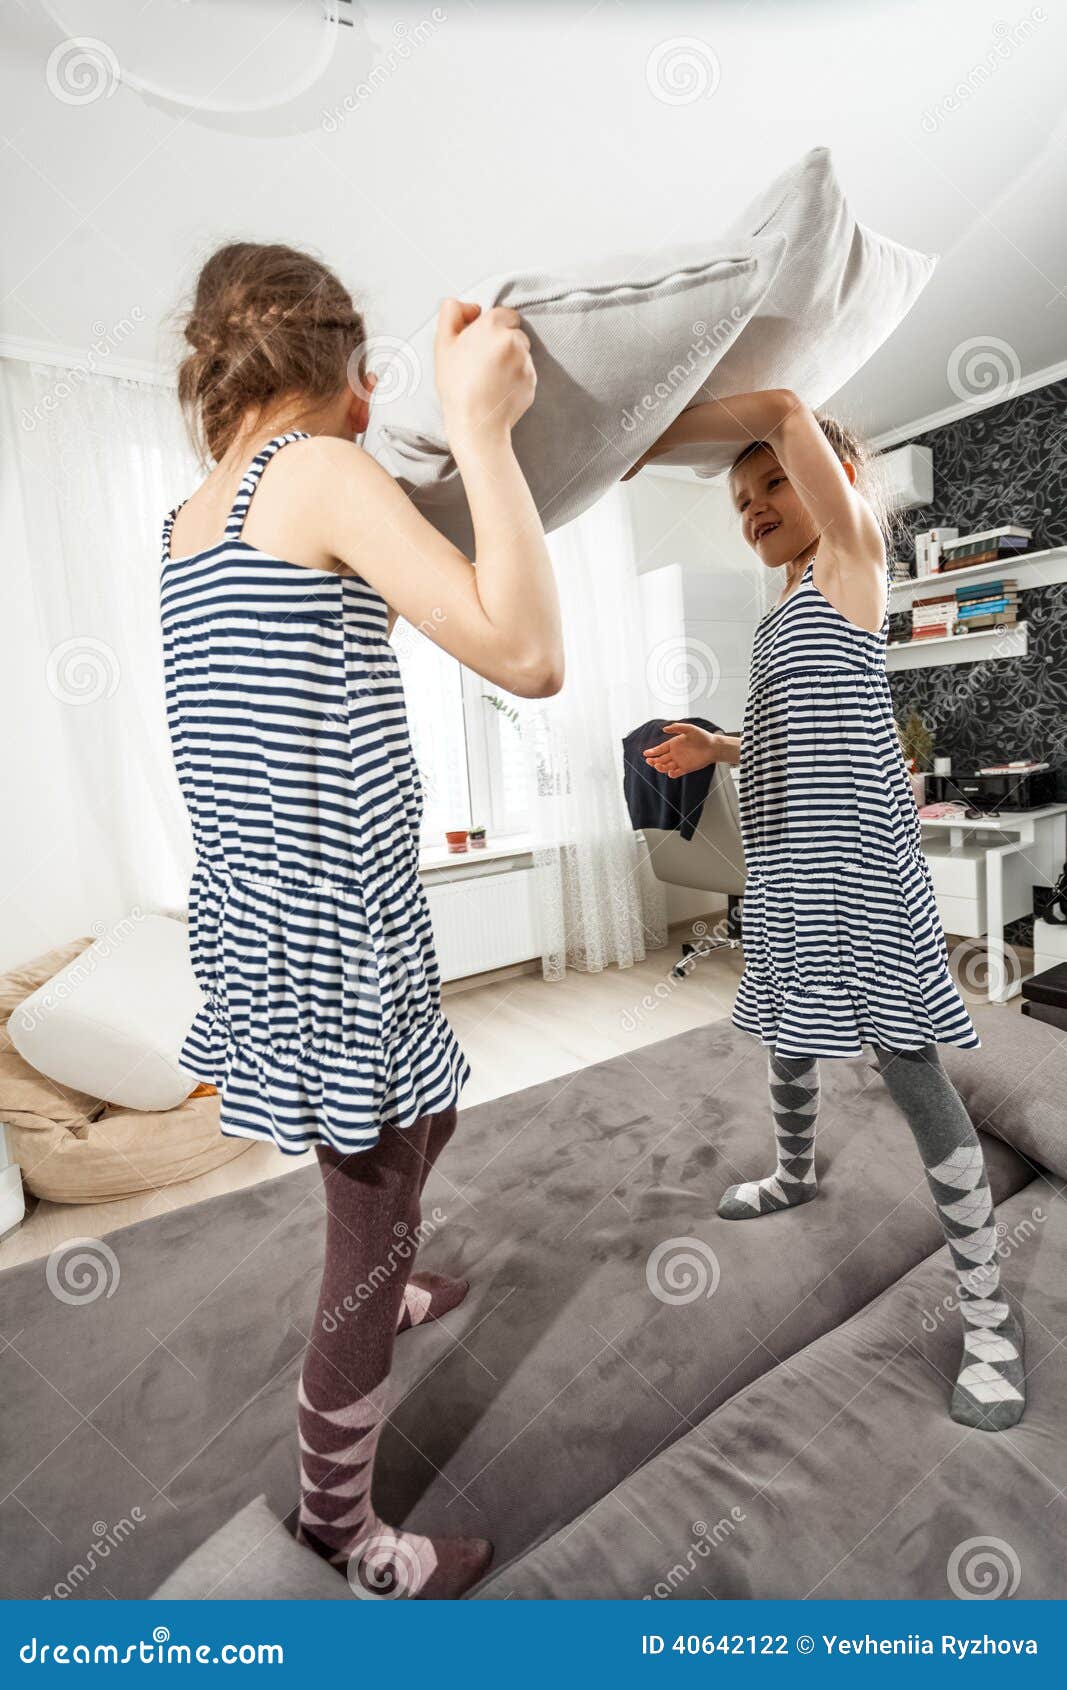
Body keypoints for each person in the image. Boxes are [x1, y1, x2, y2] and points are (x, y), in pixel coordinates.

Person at [162, 242, 563, 1596]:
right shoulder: (323, 471)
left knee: (420, 1113)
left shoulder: (189, 517)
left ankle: (387, 1282)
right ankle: (344, 1529)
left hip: (268, 917)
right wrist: (480, 429)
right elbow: (529, 655)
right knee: (372, 1205)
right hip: (335, 929)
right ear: (350, 377)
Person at [627, 393, 1025, 1433]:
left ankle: (987, 1314)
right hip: (788, 870)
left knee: (907, 1064)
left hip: (860, 873)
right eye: (738, 497)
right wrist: (716, 747)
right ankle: (795, 1172)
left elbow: (779, 408)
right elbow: (789, 736)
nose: (753, 505)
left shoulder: (852, 559)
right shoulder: (780, 608)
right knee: (789, 1027)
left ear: (832, 484)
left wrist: (644, 435)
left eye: (773, 481)